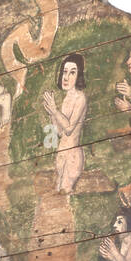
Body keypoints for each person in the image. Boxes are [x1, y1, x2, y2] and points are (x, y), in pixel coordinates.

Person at [43, 54, 88, 193]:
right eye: (64, 72)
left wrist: (55, 110)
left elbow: (69, 129)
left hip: (72, 157)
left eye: (72, 72)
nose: (66, 77)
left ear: (78, 76)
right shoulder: (67, 98)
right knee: (57, 195)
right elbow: (59, 132)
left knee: (64, 195)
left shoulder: (80, 98)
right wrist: (51, 113)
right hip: (61, 155)